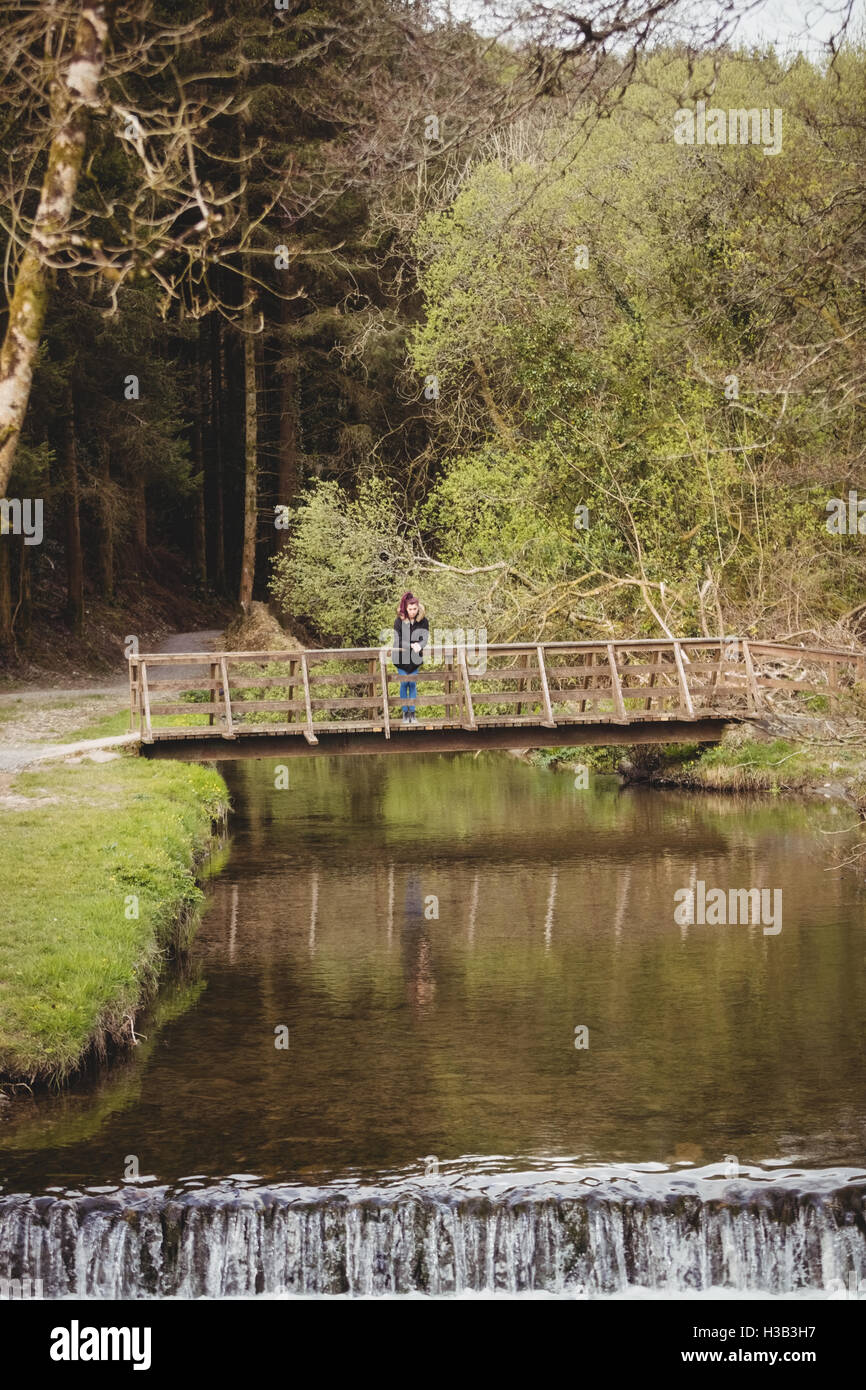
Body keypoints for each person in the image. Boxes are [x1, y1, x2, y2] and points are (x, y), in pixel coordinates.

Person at [392, 591, 429, 724]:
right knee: (404, 683)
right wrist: (411, 645)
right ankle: (405, 713)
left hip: (415, 659)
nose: (413, 611)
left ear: (418, 608)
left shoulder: (423, 621)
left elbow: (425, 638)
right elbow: (397, 640)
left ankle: (412, 714)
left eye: (415, 609)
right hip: (401, 659)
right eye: (410, 609)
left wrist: (420, 645)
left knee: (412, 684)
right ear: (406, 609)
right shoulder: (398, 621)